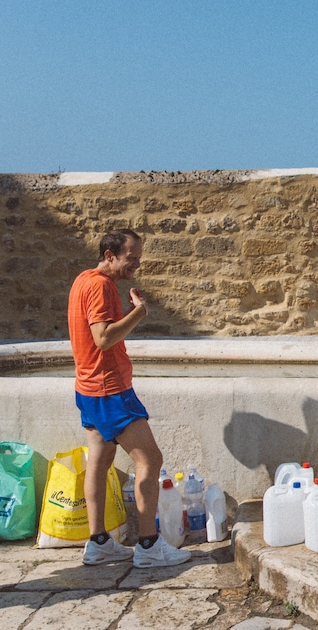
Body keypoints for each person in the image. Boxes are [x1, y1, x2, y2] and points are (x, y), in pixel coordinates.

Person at [69, 228, 190, 568]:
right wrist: (139, 312)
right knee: (150, 460)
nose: (136, 264)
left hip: (88, 388)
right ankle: (149, 546)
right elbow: (103, 338)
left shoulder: (82, 279)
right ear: (109, 256)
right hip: (109, 390)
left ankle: (98, 543)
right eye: (130, 258)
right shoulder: (101, 286)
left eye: (138, 257)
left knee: (100, 461)